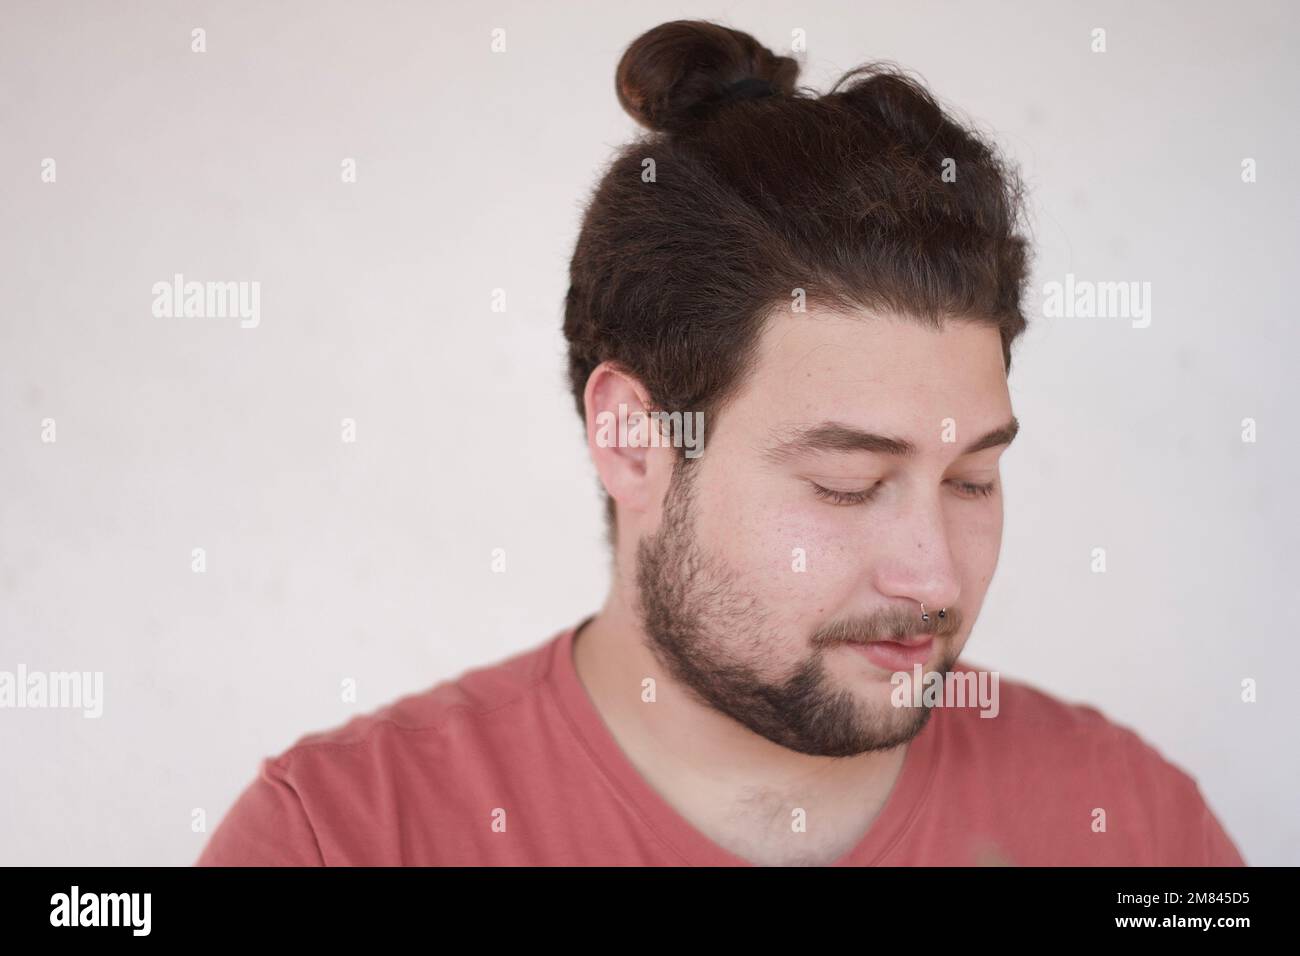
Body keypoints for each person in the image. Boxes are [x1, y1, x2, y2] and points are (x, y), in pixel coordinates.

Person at [196, 19, 1245, 867]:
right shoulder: (338, 837)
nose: (933, 575)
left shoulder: (1131, 822)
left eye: (971, 479)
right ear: (634, 439)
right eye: (848, 481)